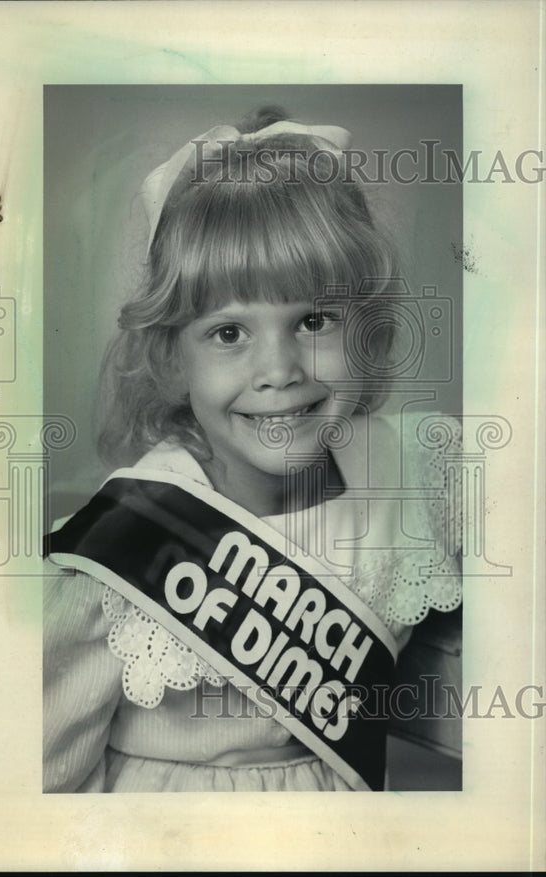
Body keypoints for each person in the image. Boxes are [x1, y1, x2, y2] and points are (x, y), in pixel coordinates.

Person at [43, 105, 463, 793]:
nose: (280, 368)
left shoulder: (413, 469)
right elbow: (39, 783)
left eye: (315, 319)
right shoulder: (119, 554)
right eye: (230, 333)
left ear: (369, 334)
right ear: (172, 360)